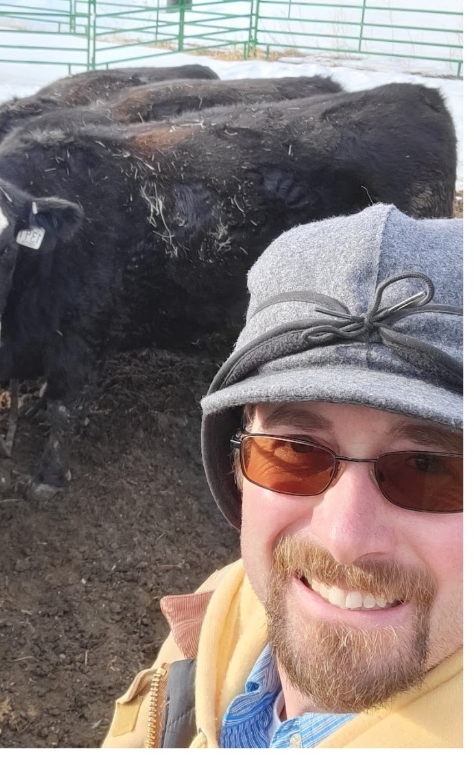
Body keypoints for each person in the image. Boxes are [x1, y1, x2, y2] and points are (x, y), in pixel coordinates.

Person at [104, 204, 461, 748]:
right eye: (295, 452)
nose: (345, 540)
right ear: (237, 469)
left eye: (428, 469)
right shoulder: (222, 609)